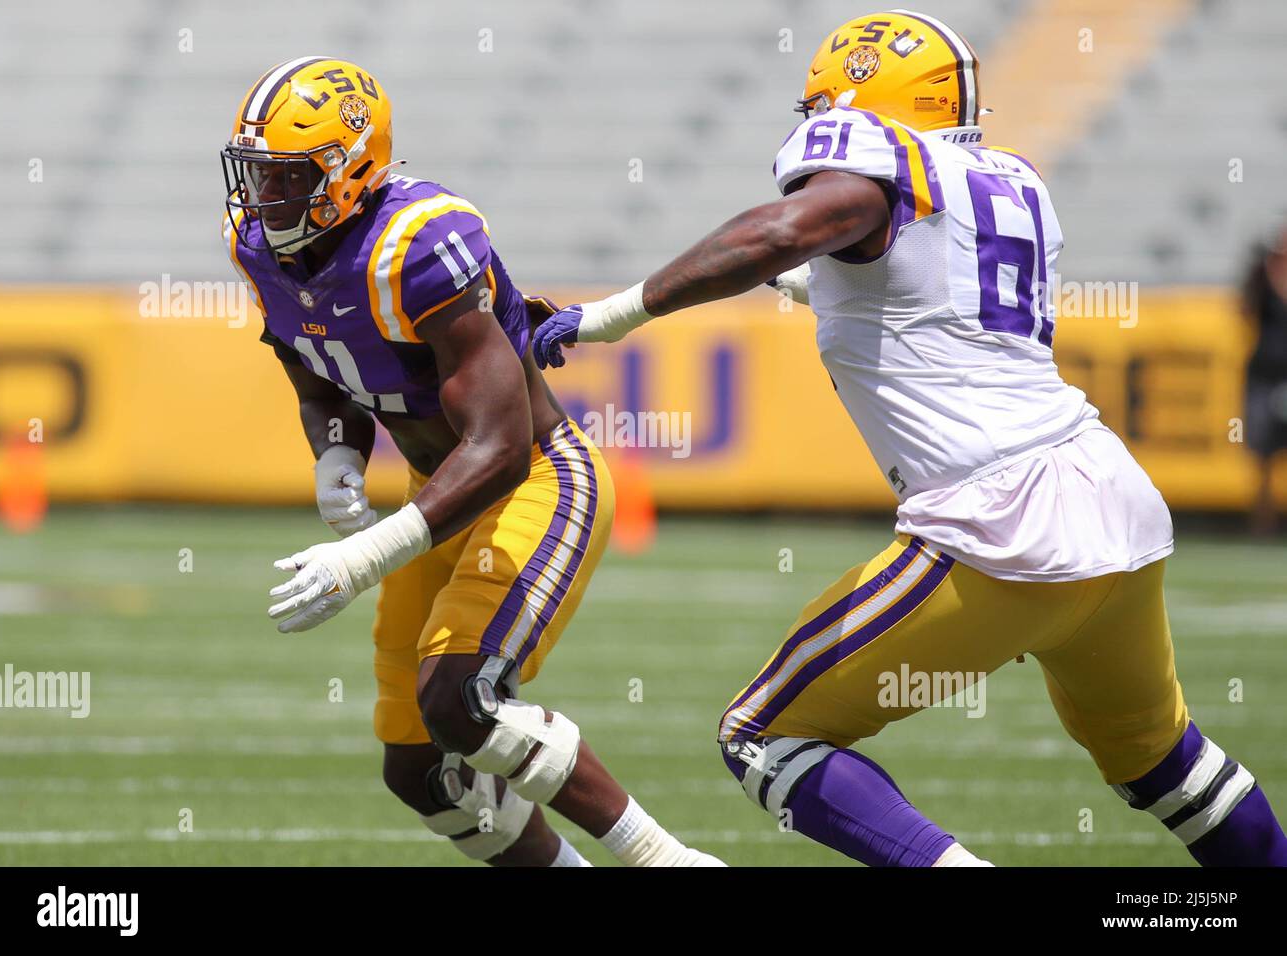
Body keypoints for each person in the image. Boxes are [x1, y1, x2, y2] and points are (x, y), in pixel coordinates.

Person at [533, 11, 1287, 866]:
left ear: (862, 100)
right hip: (1109, 499)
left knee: (763, 734)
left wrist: (612, 315)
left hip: (999, 520)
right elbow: (933, 300)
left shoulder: (877, 176)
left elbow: (779, 232)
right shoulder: (1011, 177)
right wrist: (813, 288)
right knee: (1168, 767)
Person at [222, 57, 721, 867]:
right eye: (257, 176)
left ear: (351, 171)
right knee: (418, 767)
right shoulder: (260, 245)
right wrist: (338, 448)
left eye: (287, 178)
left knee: (462, 700)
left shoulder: (417, 244)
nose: (263, 199)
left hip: (534, 478)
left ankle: (670, 862)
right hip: (437, 489)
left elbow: (500, 443)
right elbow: (309, 358)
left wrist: (363, 557)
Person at [1241, 227, 1287, 535]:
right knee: (1263, 454)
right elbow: (1245, 309)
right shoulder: (1263, 279)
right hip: (1265, 372)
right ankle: (1263, 524)